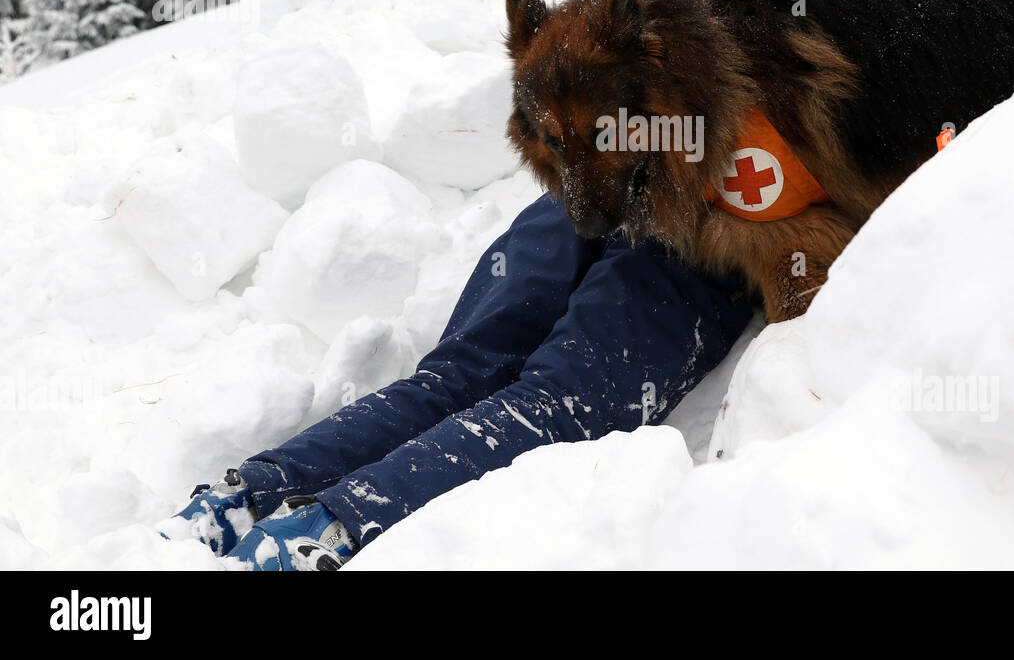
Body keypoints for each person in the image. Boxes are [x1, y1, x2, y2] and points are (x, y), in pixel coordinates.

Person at [162, 194, 755, 570]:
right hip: (703, 223)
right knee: (549, 408)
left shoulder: (682, 4)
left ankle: (237, 503)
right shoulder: (822, 36)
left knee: (451, 380)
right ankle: (318, 536)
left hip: (580, 185)